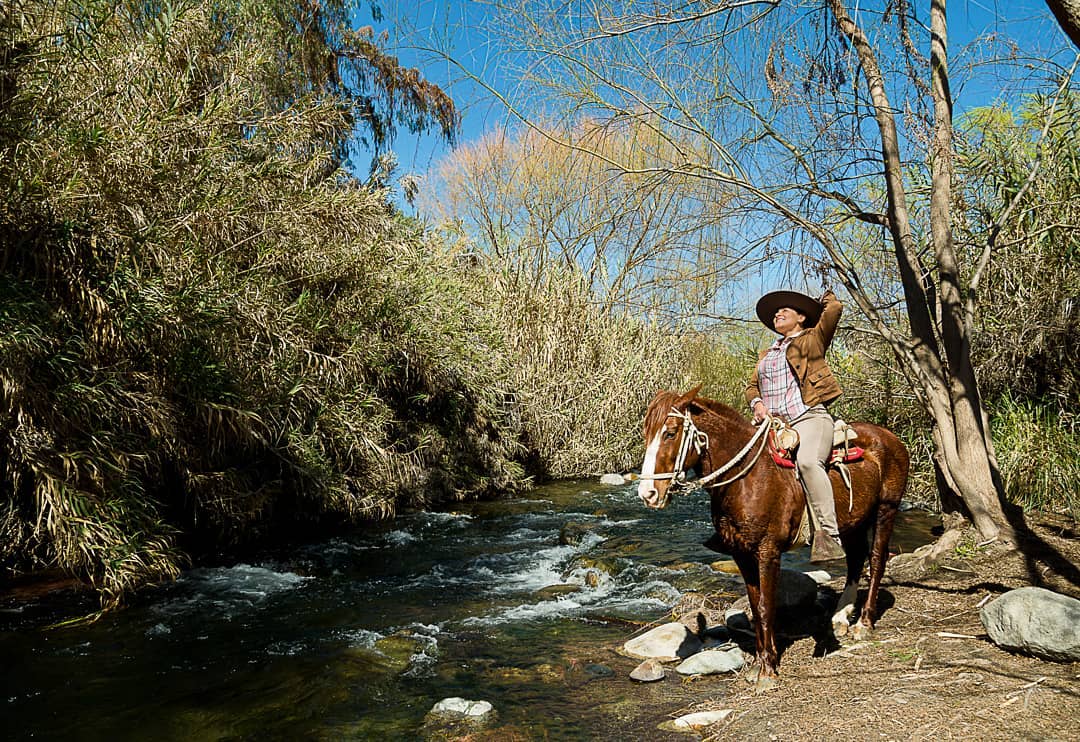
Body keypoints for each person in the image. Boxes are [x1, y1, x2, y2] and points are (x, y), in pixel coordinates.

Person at [745, 289, 846, 562]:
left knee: (809, 463)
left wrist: (823, 299)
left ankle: (829, 536)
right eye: (776, 313)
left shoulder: (813, 339)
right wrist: (757, 404)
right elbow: (752, 386)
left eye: (784, 310)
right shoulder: (767, 352)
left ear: (801, 317)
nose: (777, 314)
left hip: (809, 417)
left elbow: (834, 311)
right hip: (773, 425)